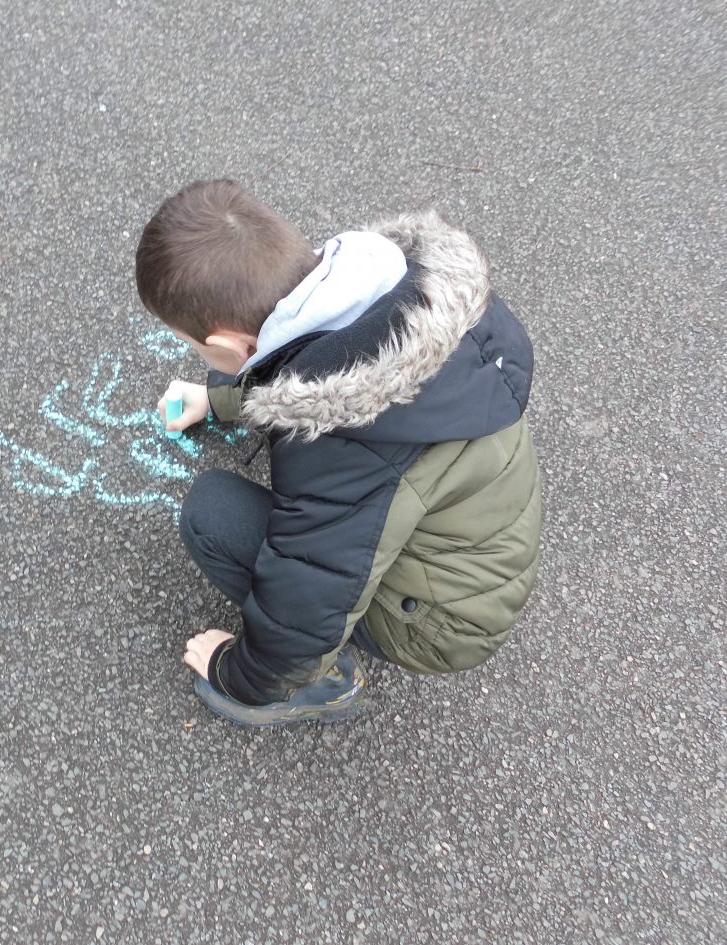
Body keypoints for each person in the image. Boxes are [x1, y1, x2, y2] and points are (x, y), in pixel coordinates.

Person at [134, 180, 542, 727]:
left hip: (441, 624)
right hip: (482, 548)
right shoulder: (404, 295)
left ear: (232, 347)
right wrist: (217, 399)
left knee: (213, 514)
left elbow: (308, 595)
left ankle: (318, 687)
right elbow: (314, 359)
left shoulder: (342, 447)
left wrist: (241, 675)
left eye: (197, 347)